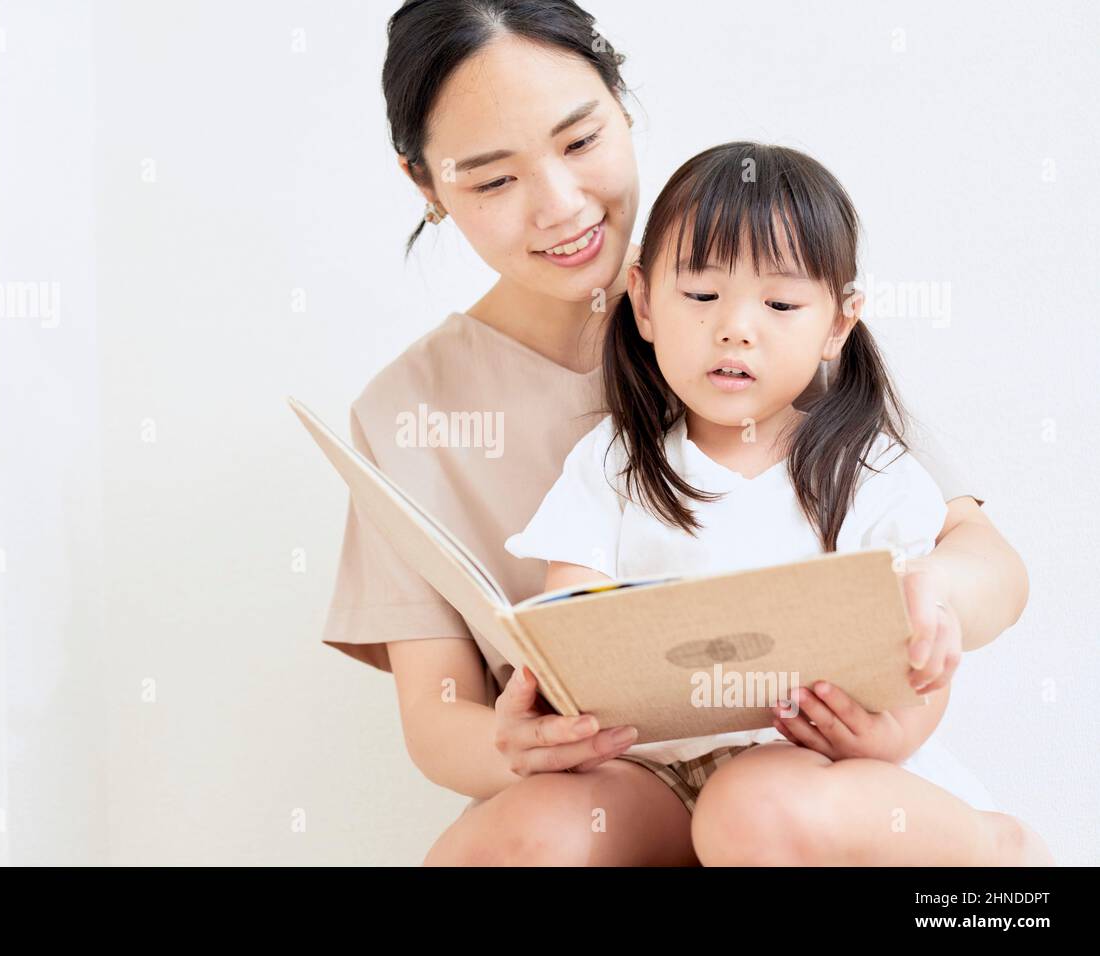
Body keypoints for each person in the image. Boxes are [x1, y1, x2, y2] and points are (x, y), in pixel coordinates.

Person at [323, 0, 1039, 865]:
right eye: (492, 179)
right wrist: (515, 746)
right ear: (425, 185)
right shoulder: (408, 409)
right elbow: (437, 718)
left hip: (795, 768)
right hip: (621, 779)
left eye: (581, 141)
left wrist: (932, 599)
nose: (558, 205)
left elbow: (986, 563)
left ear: (623, 109)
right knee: (518, 841)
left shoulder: (768, 315)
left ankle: (998, 868)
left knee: (753, 805)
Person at [503, 140, 1050, 864]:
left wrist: (896, 734)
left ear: (837, 325)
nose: (735, 327)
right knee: (522, 831)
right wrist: (555, 704)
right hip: (653, 771)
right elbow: (572, 622)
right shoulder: (612, 463)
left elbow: (922, 646)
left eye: (781, 303)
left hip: (816, 765)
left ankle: (994, 846)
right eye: (700, 296)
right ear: (642, 302)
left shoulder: (869, 467)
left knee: (749, 805)